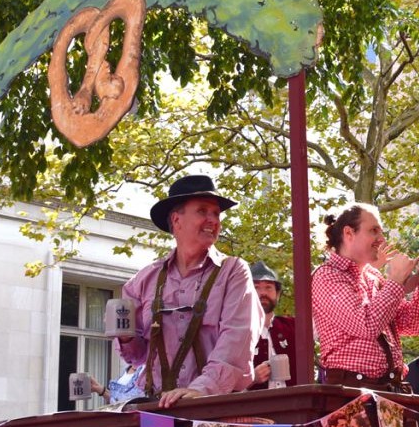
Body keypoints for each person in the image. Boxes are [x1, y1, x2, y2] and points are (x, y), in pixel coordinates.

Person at [115, 174, 263, 407]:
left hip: (213, 411)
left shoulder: (233, 271)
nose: (213, 220)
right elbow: (138, 356)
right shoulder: (143, 281)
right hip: (156, 410)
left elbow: (237, 341)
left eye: (216, 213)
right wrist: (125, 337)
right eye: (203, 211)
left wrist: (200, 390)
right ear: (176, 220)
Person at [311, 202, 419, 391]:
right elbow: (366, 325)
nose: (381, 238)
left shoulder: (373, 276)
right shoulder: (327, 275)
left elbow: (412, 325)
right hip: (350, 392)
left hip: (388, 390)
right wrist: (395, 280)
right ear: (349, 233)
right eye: (374, 230)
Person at [248, 261, 297, 390]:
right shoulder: (234, 331)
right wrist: (251, 379)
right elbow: (221, 379)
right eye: (256, 287)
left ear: (278, 294)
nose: (263, 293)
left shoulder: (295, 327)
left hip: (294, 406)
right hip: (252, 408)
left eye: (268, 287)